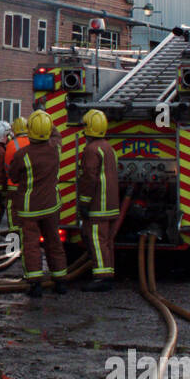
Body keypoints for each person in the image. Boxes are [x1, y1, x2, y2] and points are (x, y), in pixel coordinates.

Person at [8, 110, 68, 298]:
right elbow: (57, 135)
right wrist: (49, 120)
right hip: (51, 206)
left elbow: (13, 177)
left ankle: (35, 284)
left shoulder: (22, 155)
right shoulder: (55, 149)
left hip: (29, 209)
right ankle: (60, 281)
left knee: (31, 246)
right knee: (54, 242)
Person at [77, 109, 120, 292]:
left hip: (97, 206)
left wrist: (84, 203)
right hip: (110, 205)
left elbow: (89, 178)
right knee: (106, 241)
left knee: (96, 240)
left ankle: (102, 277)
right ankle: (107, 272)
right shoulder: (108, 148)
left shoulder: (91, 150)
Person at [1, 116, 31, 234]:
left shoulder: (12, 144)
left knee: (12, 209)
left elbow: (7, 166)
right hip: (29, 184)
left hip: (13, 184)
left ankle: (14, 238)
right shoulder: (33, 142)